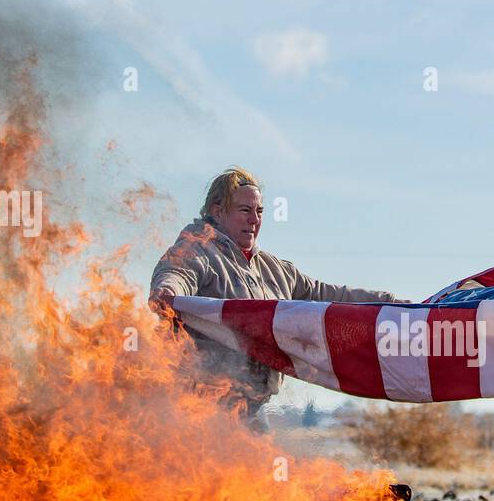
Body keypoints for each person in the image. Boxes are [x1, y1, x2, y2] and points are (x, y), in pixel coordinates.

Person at [150, 167, 401, 419]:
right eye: (245, 211)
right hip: (200, 407)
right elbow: (177, 273)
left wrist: (390, 304)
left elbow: (327, 295)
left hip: (251, 408)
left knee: (259, 456)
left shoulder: (275, 270)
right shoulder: (197, 250)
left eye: (259, 212)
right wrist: (168, 291)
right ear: (217, 212)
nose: (254, 220)